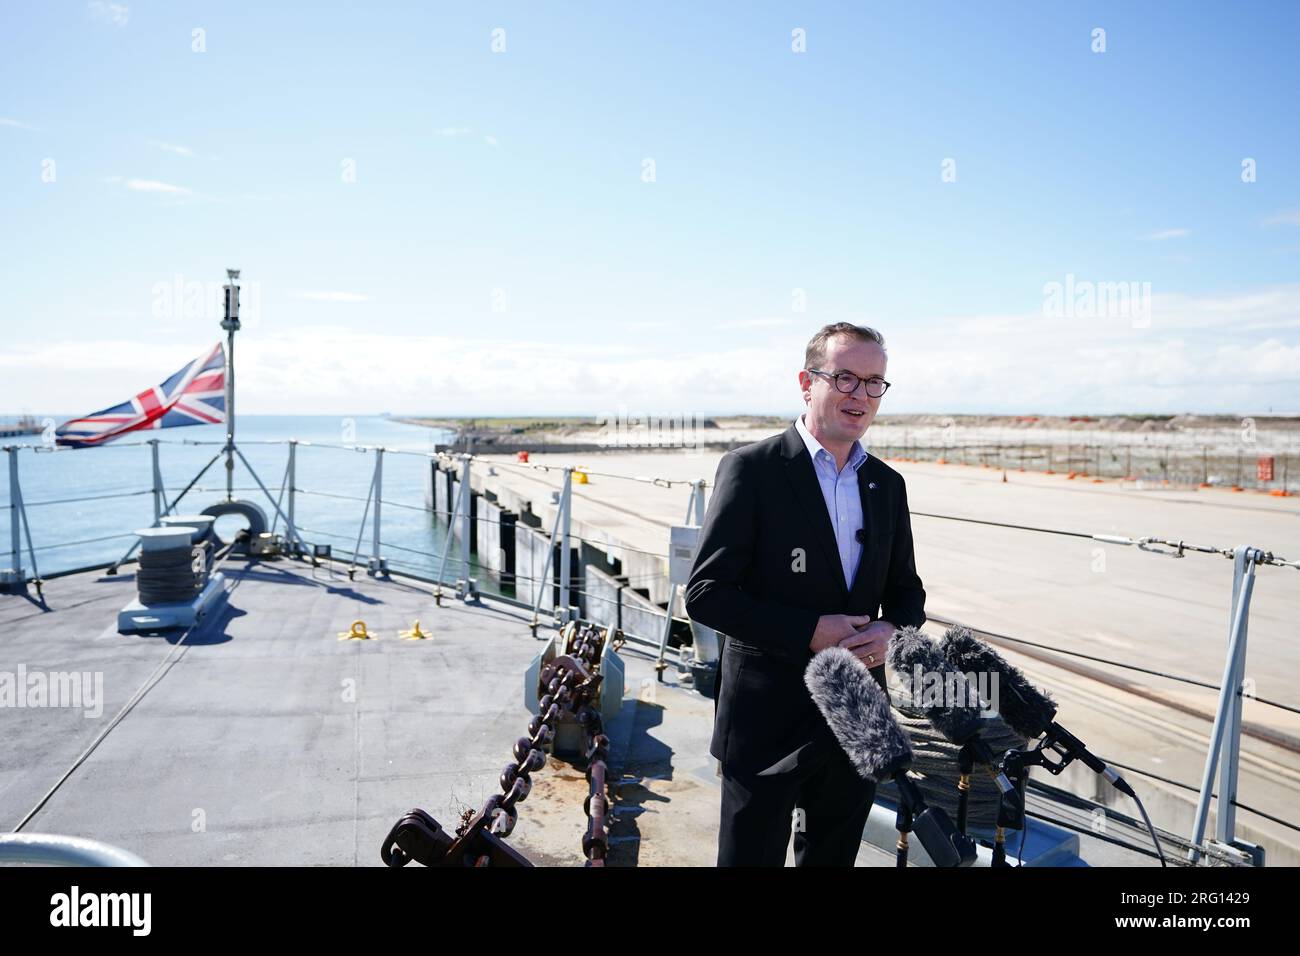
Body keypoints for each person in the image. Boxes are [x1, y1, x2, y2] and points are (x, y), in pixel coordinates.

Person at [684, 322, 926, 866]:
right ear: (806, 381)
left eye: (873, 382)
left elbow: (908, 593)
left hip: (856, 716)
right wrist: (808, 631)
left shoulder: (887, 485)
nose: (859, 395)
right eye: (844, 377)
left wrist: (892, 631)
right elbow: (705, 594)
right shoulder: (752, 469)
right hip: (766, 721)